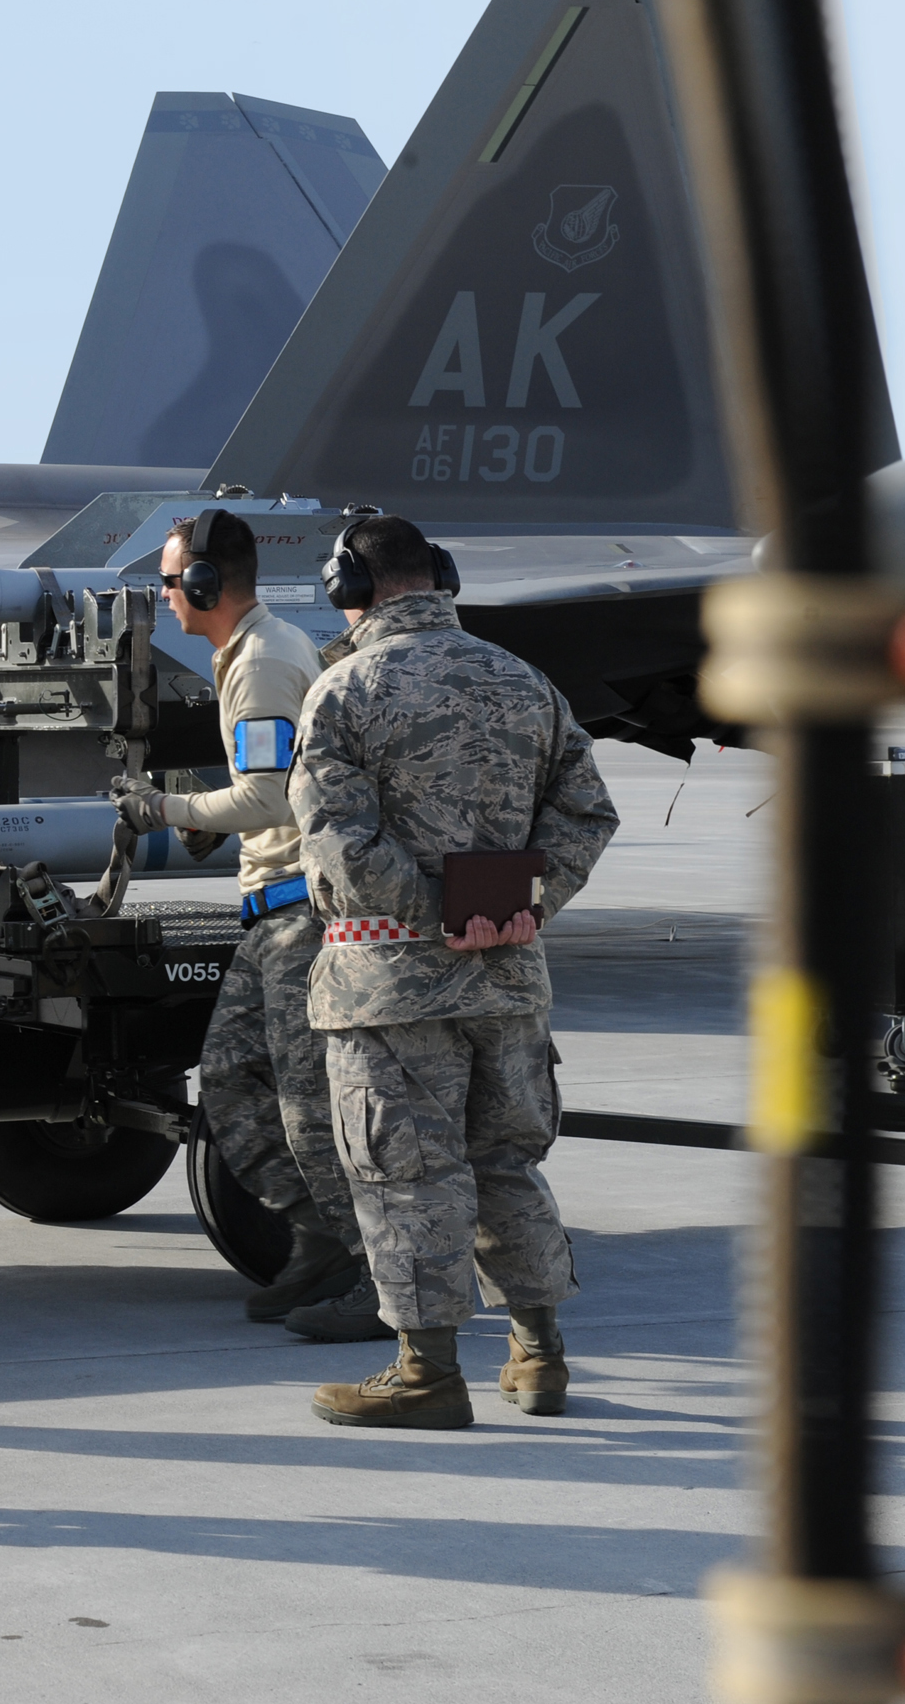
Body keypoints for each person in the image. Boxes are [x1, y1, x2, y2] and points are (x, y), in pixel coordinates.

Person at [291, 513, 617, 1430]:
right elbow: (586, 815)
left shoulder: (344, 690)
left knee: (408, 1176)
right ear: (440, 577)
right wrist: (514, 906)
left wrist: (434, 914)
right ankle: (540, 1356)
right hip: (509, 977)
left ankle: (427, 1374)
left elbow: (342, 841)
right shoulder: (526, 682)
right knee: (507, 1164)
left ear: (346, 583)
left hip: (390, 984)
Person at [112, 509, 379, 1340]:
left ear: (203, 583)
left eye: (167, 581)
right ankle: (315, 1240)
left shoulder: (260, 663)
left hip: (298, 911)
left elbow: (268, 798)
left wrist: (162, 806)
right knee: (230, 1083)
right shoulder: (257, 652)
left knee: (300, 1104)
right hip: (276, 913)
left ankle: (363, 1269)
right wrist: (203, 812)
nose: (163, 597)